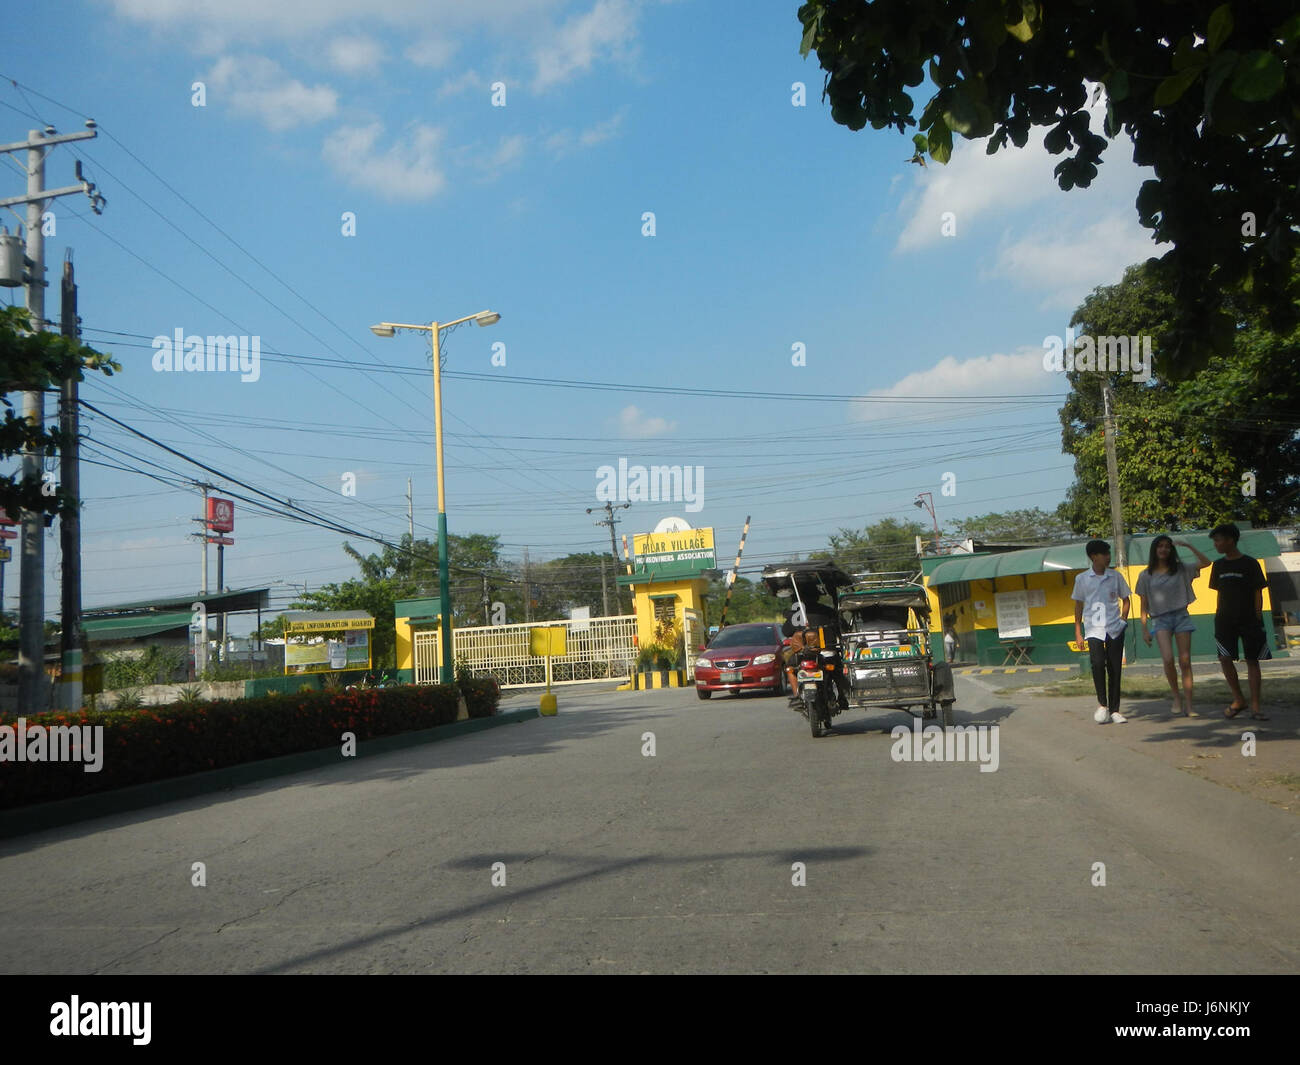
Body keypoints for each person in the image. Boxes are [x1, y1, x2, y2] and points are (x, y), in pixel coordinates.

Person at [1136, 535, 1211, 717]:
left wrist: (1188, 545)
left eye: (1167, 547)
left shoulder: (1181, 569)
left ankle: (1190, 705)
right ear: (1154, 550)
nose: (1163, 549)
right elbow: (1143, 604)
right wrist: (1144, 629)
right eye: (1160, 546)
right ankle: (1176, 697)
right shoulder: (1145, 575)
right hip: (1160, 620)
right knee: (1168, 659)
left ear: (1171, 550)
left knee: (1185, 661)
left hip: (1181, 616)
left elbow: (1206, 562)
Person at [1208, 523, 1271, 720]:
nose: (1216, 544)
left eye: (1218, 540)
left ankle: (1256, 707)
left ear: (1231, 540)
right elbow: (1219, 594)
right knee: (1225, 659)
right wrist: (1219, 615)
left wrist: (1258, 616)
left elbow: (1258, 592)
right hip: (1225, 620)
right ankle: (1238, 700)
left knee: (1252, 661)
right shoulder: (1218, 565)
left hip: (1250, 620)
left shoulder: (1251, 563)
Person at [1072, 539, 1130, 724]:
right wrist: (1078, 632)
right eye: (1104, 553)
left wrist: (1123, 621)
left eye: (1108, 553)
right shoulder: (1081, 579)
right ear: (1093, 557)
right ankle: (1102, 704)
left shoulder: (1115, 577)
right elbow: (1078, 605)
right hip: (1093, 629)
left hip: (1114, 628)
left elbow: (1126, 600)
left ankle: (1115, 710)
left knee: (1115, 668)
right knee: (1097, 664)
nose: (1108, 556)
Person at [781, 584, 849, 712]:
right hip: (827, 652)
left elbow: (786, 631)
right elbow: (841, 628)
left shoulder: (797, 614)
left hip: (803, 654)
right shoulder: (828, 611)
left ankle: (796, 696)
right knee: (838, 671)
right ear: (817, 597)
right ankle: (842, 696)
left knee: (790, 669)